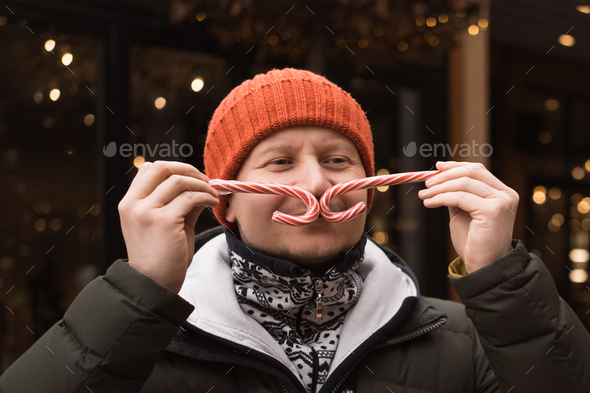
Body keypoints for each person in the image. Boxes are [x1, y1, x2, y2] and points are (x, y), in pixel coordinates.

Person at [1, 68, 589, 393]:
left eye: (338, 161)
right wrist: (141, 290)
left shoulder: (462, 339)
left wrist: (501, 277)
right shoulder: (142, 344)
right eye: (279, 162)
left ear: (367, 188)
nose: (312, 182)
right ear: (224, 203)